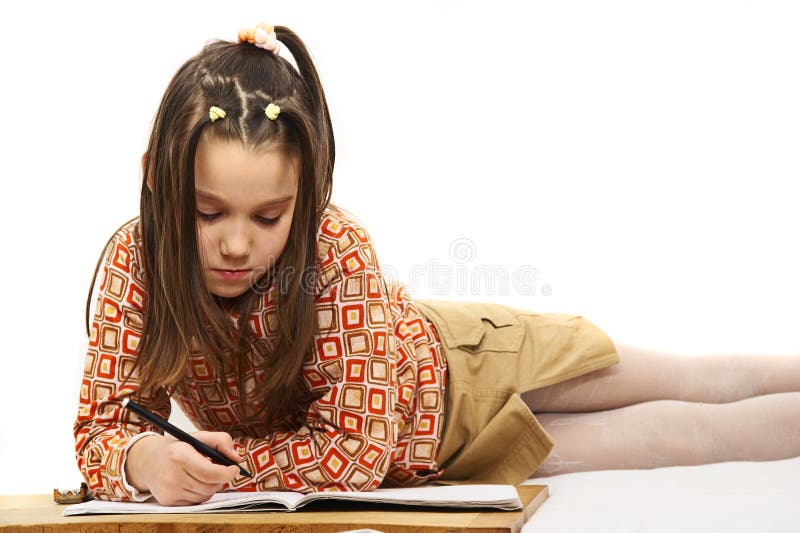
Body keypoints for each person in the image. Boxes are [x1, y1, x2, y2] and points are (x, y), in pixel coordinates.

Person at [74, 22, 800, 506]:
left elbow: (356, 454)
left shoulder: (335, 249)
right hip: (437, 459)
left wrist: (225, 470)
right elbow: (96, 429)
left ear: (308, 196)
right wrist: (142, 460)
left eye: (269, 217)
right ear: (155, 177)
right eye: (208, 212)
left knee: (697, 386)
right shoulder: (135, 264)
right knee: (690, 441)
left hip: (467, 365)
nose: (236, 244)